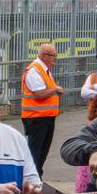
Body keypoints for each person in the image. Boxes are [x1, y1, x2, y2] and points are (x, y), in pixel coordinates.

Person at [21, 42, 63, 177]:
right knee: (35, 153)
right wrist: (55, 89)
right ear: (45, 56)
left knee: (42, 152)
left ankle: (36, 178)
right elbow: (39, 94)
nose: (54, 60)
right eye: (53, 57)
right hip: (36, 118)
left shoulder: (44, 70)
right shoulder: (34, 70)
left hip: (46, 117)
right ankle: (31, 180)